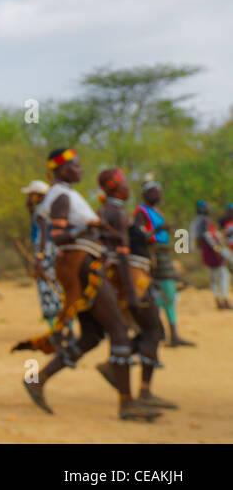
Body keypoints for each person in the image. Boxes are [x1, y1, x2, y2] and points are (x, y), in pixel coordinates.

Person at [14, 150, 160, 421]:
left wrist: (99, 229)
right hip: (82, 264)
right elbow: (58, 236)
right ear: (61, 169)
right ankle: (128, 404)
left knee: (92, 335)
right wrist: (89, 228)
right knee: (118, 329)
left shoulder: (65, 195)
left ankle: (38, 379)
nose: (81, 170)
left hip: (80, 262)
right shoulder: (61, 196)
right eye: (75, 166)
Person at [92, 170, 173, 410]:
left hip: (132, 275)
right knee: (154, 330)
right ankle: (142, 393)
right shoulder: (117, 212)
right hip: (133, 278)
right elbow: (122, 253)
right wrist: (130, 291)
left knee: (151, 330)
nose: (129, 188)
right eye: (125, 184)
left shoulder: (111, 211)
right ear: (115, 188)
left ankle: (136, 386)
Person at [136, 180, 192, 346]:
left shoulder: (156, 211)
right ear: (145, 194)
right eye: (153, 192)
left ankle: (172, 334)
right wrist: (159, 230)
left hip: (164, 254)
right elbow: (138, 236)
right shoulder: (141, 212)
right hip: (154, 255)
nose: (157, 195)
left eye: (159, 192)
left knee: (169, 293)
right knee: (166, 292)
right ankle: (151, 329)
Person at [22, 180, 64, 331]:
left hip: (45, 252)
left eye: (30, 195)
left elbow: (44, 233)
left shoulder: (42, 211)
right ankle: (64, 326)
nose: (28, 198)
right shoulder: (46, 209)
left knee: (48, 288)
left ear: (38, 196)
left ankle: (56, 329)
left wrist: (40, 257)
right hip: (51, 250)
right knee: (56, 286)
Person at [192, 201, 232, 309]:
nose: (209, 208)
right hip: (212, 252)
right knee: (223, 275)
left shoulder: (198, 221)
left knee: (215, 277)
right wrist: (217, 250)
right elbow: (208, 237)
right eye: (207, 207)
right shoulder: (203, 221)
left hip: (207, 251)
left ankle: (219, 299)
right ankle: (224, 299)